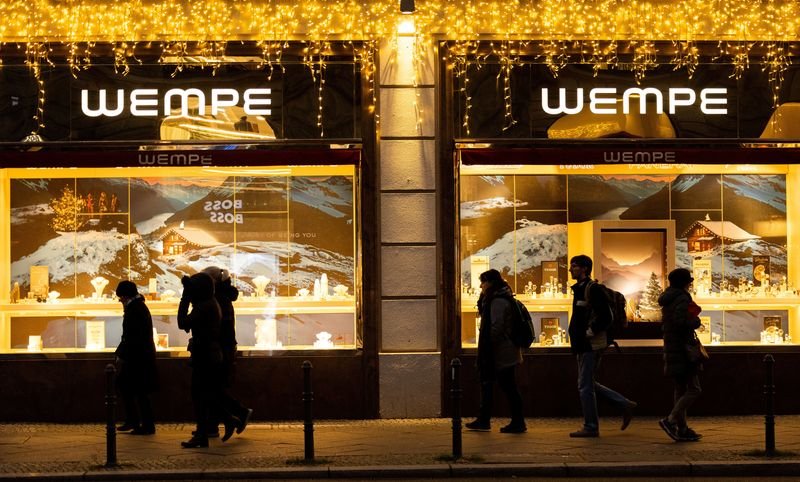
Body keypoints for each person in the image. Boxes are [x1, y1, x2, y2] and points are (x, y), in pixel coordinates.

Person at [568, 255, 637, 437]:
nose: (570, 269)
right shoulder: (581, 289)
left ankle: (591, 426)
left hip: (590, 345)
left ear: (584, 269)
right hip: (583, 344)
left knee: (584, 386)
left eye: (574, 266)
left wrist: (590, 332)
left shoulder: (593, 290)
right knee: (587, 383)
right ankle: (624, 404)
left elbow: (606, 316)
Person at [177, 272, 240, 448]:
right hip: (209, 354)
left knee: (199, 395)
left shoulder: (204, 306)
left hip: (205, 355)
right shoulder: (209, 303)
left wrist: (184, 299)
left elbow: (182, 323)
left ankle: (211, 430)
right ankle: (225, 422)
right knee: (205, 395)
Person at [465, 269, 526, 434]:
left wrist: (488, 347)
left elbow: (496, 327)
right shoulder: (497, 298)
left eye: (483, 282)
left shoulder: (498, 301)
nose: (481, 285)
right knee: (490, 385)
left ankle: (517, 422)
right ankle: (485, 420)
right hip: (501, 351)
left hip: (500, 352)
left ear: (491, 283)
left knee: (507, 386)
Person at [201, 266, 253, 438]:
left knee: (213, 388)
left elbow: (219, 327)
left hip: (221, 348)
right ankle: (213, 425)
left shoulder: (218, 298)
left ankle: (237, 413)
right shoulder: (224, 296)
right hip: (225, 347)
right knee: (215, 387)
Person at [658, 268, 703, 442]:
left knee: (680, 388)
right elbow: (681, 322)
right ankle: (670, 420)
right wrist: (695, 321)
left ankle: (682, 429)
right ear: (685, 282)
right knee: (694, 388)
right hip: (683, 349)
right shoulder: (683, 298)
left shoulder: (668, 298)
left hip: (672, 348)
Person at [114, 280, 158, 435]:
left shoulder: (135, 309)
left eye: (120, 298)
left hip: (137, 357)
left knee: (138, 390)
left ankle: (145, 424)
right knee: (133, 388)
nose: (120, 301)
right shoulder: (138, 306)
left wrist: (121, 355)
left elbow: (131, 336)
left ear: (126, 296)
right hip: (139, 356)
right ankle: (135, 420)